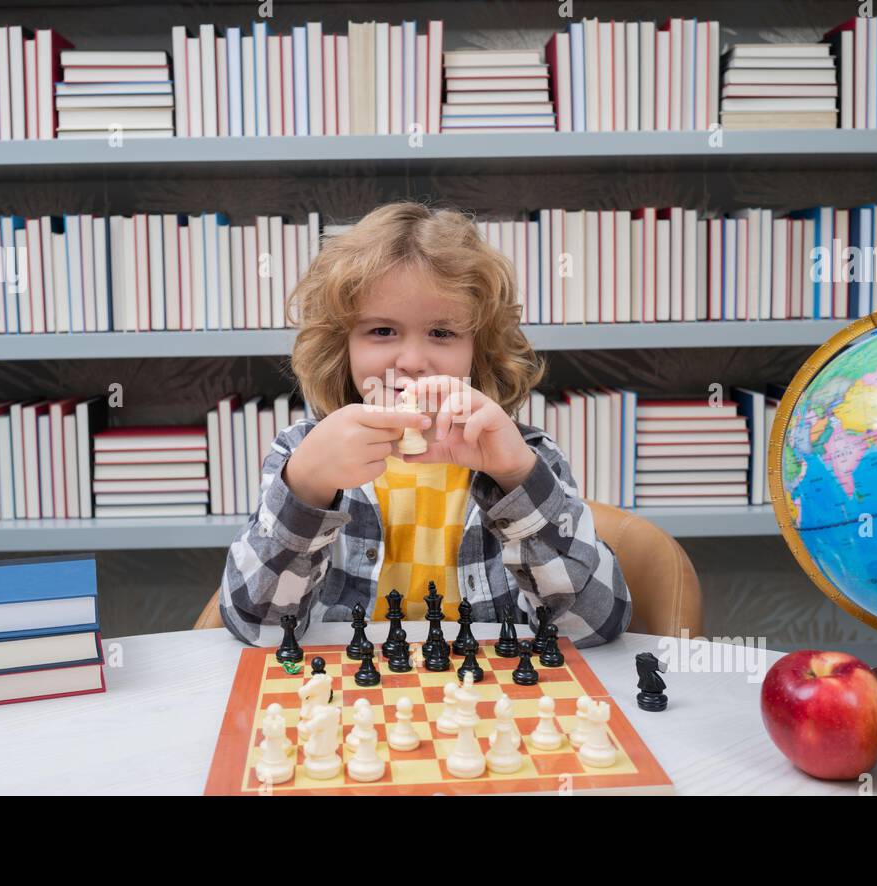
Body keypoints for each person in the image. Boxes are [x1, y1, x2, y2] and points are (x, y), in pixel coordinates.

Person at [219, 201, 631, 647]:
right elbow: (257, 628)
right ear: (342, 347)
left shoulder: (526, 455)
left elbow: (594, 627)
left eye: (442, 333)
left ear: (481, 348)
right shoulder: (302, 453)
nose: (412, 362)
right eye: (381, 331)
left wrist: (517, 477)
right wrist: (304, 488)